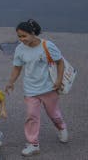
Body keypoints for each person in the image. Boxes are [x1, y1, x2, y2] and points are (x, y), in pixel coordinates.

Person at [5, 19, 68, 157]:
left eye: (24, 36)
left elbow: (60, 62)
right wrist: (11, 82)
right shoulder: (20, 49)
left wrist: (59, 80)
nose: (22, 39)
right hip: (30, 90)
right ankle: (33, 144)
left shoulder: (47, 46)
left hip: (49, 88)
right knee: (32, 116)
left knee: (54, 114)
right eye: (19, 36)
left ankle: (61, 127)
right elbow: (17, 67)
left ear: (33, 33)